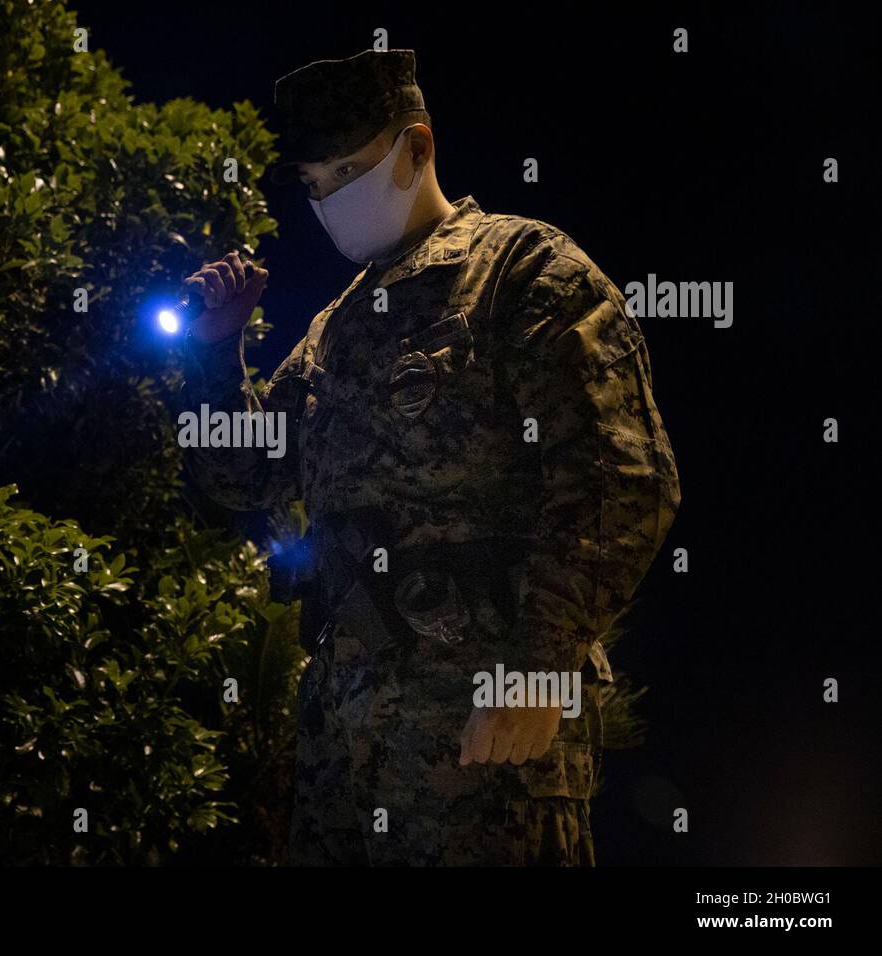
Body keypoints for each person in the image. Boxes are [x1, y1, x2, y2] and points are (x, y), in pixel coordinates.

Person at [179, 48, 681, 865]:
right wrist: (213, 354)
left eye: (350, 169)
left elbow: (621, 481)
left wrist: (535, 669)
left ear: (418, 148)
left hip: (482, 739)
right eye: (314, 185)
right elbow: (247, 474)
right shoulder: (332, 331)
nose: (332, 199)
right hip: (343, 741)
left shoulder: (525, 272)